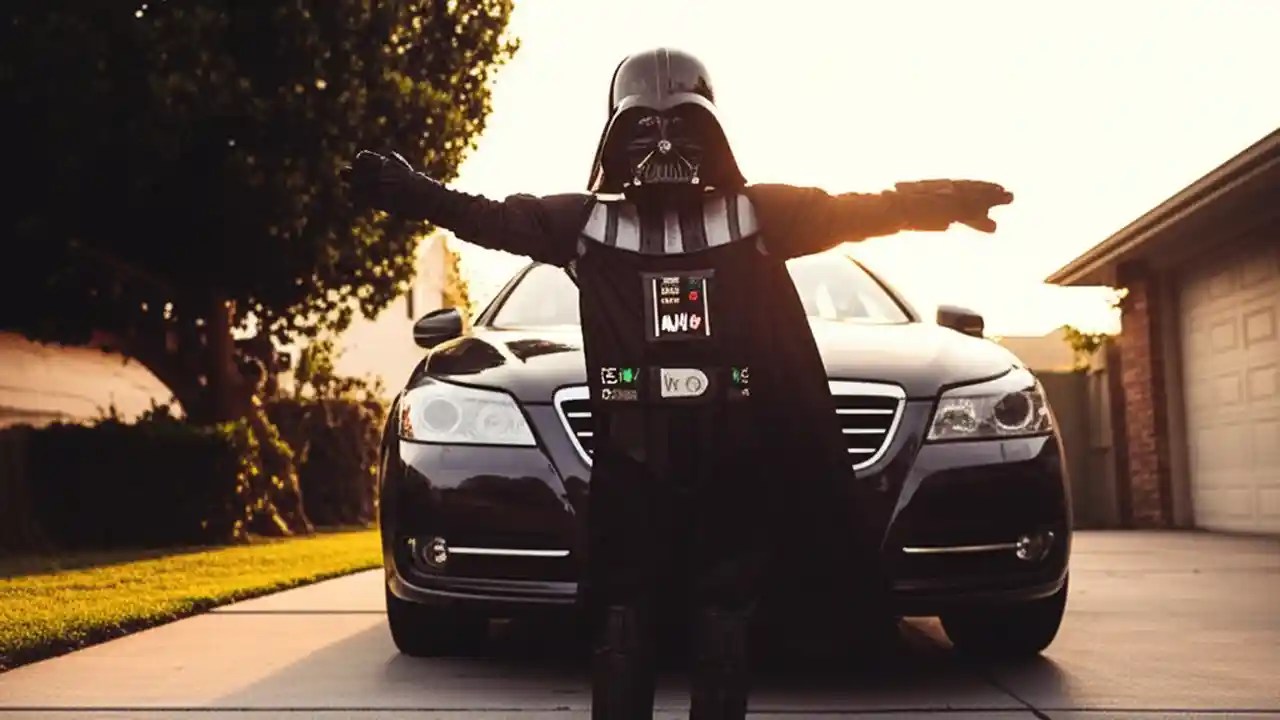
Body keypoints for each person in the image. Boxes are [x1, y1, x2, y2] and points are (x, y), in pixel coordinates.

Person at [344, 47, 1012, 720]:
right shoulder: (594, 221)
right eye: (645, 128)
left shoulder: (748, 215)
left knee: (714, 607)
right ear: (615, 137)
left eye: (680, 126)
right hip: (641, 457)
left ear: (712, 134)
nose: (663, 144)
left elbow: (860, 211)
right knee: (631, 608)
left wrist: (940, 200)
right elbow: (483, 216)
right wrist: (411, 191)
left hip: (724, 454)